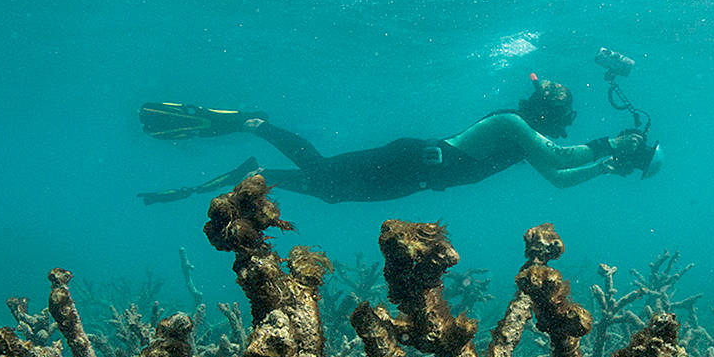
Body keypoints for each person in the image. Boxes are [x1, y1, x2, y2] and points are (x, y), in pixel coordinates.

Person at [136, 76, 659, 205]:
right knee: (324, 182)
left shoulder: (526, 141)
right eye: (562, 116)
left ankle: (258, 149)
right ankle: (257, 140)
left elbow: (559, 177)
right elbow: (558, 155)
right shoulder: (515, 126)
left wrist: (606, 165)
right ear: (546, 113)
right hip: (408, 160)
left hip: (414, 177)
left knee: (325, 184)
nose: (564, 124)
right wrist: (612, 144)